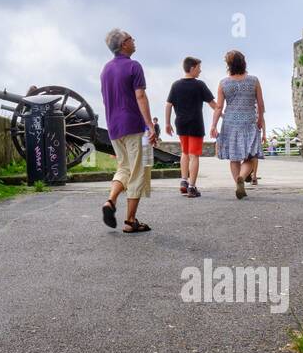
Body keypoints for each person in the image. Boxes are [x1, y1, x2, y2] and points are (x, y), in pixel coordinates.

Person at [99, 28, 157, 233]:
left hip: (114, 127)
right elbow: (140, 96)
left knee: (124, 168)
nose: (134, 40)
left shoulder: (105, 70)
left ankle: (110, 201)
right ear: (124, 44)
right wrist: (150, 125)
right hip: (133, 124)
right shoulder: (134, 66)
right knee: (138, 171)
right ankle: (130, 220)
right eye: (131, 38)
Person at [209, 49, 265, 200]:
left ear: (228, 65)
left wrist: (213, 125)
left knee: (234, 158)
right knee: (251, 156)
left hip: (230, 123)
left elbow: (219, 107)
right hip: (249, 122)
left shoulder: (223, 83)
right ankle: (242, 177)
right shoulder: (254, 80)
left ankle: (238, 183)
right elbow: (260, 103)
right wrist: (260, 119)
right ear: (243, 62)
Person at [164, 56, 216, 198]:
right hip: (195, 124)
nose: (200, 71)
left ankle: (183, 181)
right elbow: (212, 103)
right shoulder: (199, 85)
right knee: (194, 156)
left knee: (185, 153)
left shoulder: (176, 85)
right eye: (199, 68)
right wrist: (222, 114)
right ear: (192, 68)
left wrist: (167, 123)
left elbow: (168, 105)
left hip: (180, 123)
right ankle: (192, 187)